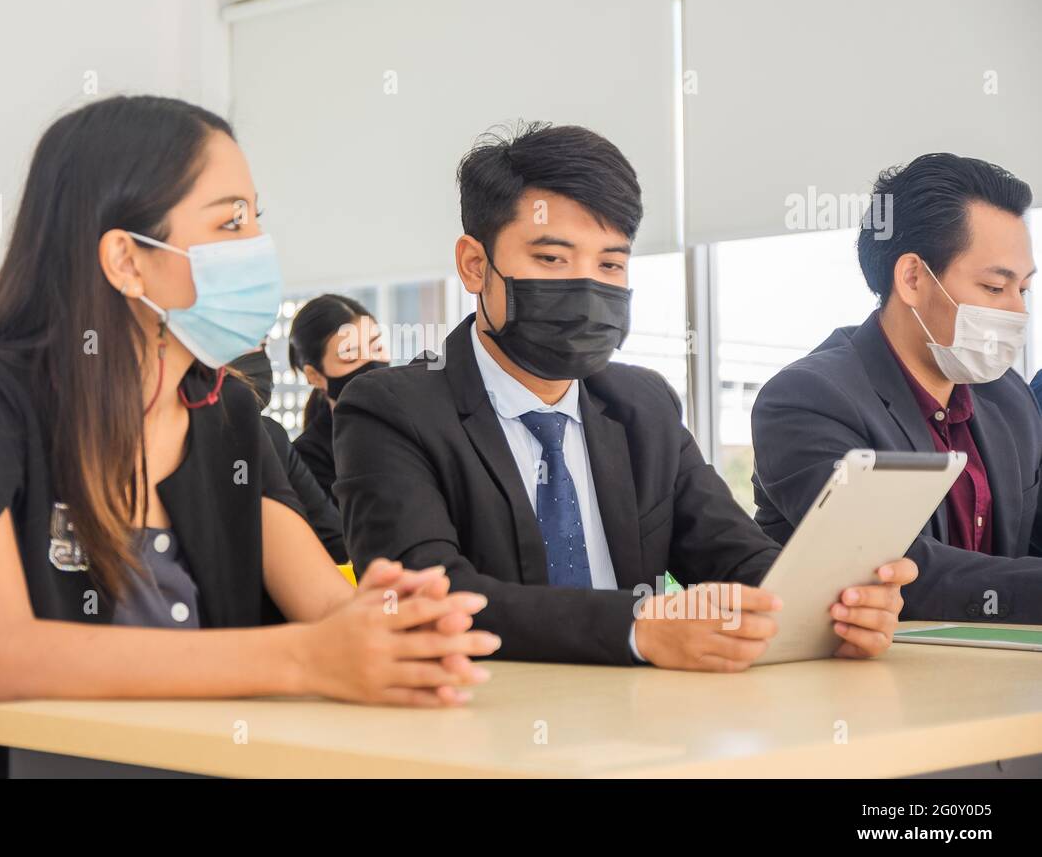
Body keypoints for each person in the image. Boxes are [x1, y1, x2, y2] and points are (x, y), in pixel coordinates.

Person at [0, 96, 497, 777]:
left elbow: (324, 605)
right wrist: (306, 658)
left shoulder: (230, 417)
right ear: (126, 259)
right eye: (230, 221)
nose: (257, 248)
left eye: (256, 219)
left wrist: (395, 623)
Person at [333, 121, 914, 670]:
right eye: (552, 258)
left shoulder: (643, 405)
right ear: (474, 264)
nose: (587, 285)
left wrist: (831, 608)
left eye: (610, 264)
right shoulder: (391, 410)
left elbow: (736, 556)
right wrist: (637, 628)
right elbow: (428, 599)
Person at [752, 152, 1042, 623]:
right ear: (911, 278)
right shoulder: (809, 399)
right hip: (847, 684)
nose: (1017, 313)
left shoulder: (1007, 397)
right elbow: (897, 571)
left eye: (1023, 290)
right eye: (994, 288)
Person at [229, 344, 347, 562]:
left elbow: (333, 539)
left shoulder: (268, 437)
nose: (260, 355)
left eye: (263, 344)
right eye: (247, 344)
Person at [288, 294, 390, 504]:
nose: (371, 363)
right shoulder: (308, 458)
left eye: (377, 348)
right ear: (315, 376)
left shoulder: (414, 421)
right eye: (350, 356)